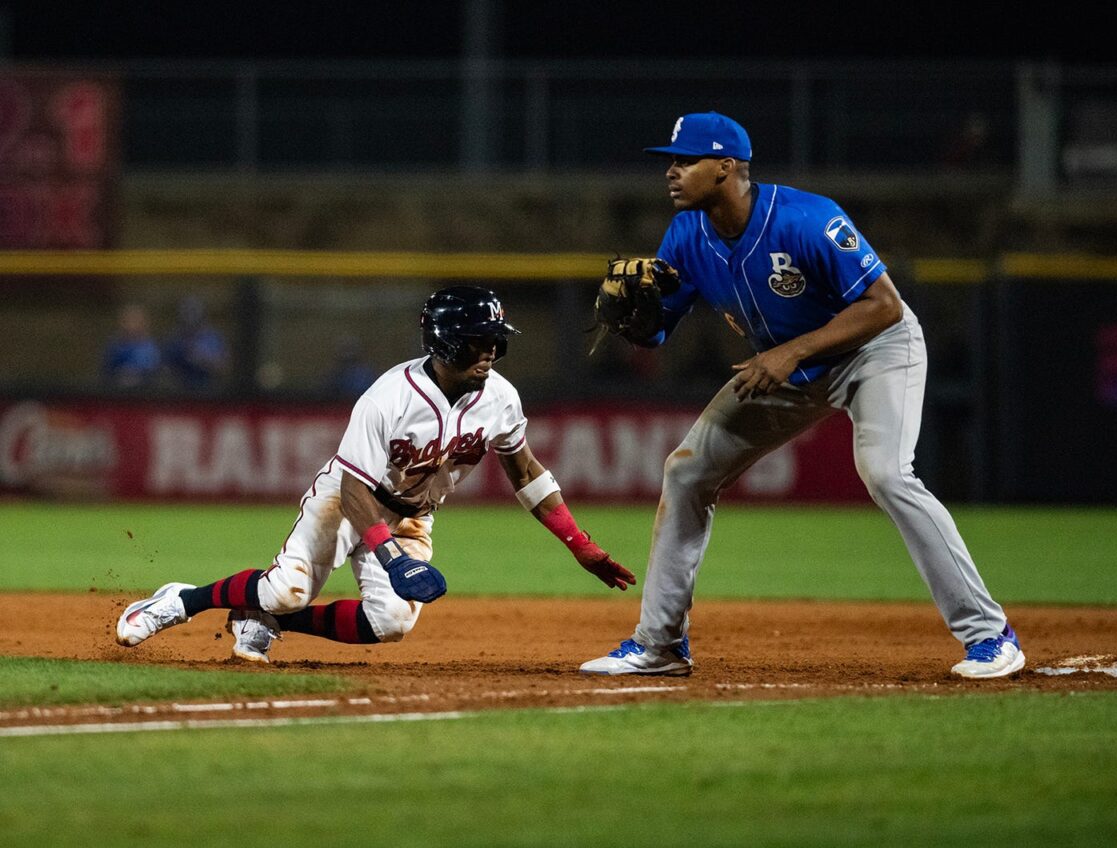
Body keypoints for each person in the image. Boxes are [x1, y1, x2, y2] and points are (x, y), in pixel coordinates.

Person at [579, 112, 1024, 680]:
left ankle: (990, 635)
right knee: (687, 472)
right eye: (670, 160)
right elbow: (658, 330)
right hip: (784, 368)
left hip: (875, 350)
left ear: (726, 167)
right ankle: (660, 643)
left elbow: (884, 306)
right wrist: (631, 321)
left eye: (684, 160)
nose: (671, 171)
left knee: (887, 473)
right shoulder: (686, 235)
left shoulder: (808, 219)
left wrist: (790, 354)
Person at [117, 286, 634, 661]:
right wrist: (388, 556)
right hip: (349, 503)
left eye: (496, 339)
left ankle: (271, 622)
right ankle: (180, 600)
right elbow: (354, 488)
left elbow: (525, 470)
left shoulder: (500, 396)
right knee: (285, 588)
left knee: (389, 624)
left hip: (414, 516)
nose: (492, 350)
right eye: (480, 339)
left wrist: (578, 542)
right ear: (448, 341)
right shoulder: (389, 397)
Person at [163, 295, 229, 392]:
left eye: (194, 312)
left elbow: (225, 369)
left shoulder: (214, 338)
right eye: (186, 313)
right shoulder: (174, 339)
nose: (190, 317)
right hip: (180, 393)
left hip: (210, 392)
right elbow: (164, 369)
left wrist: (204, 360)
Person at [101, 303, 161, 390]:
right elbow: (107, 372)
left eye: (135, 320)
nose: (131, 325)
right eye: (127, 320)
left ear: (144, 323)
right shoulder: (114, 348)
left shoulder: (152, 349)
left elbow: (154, 374)